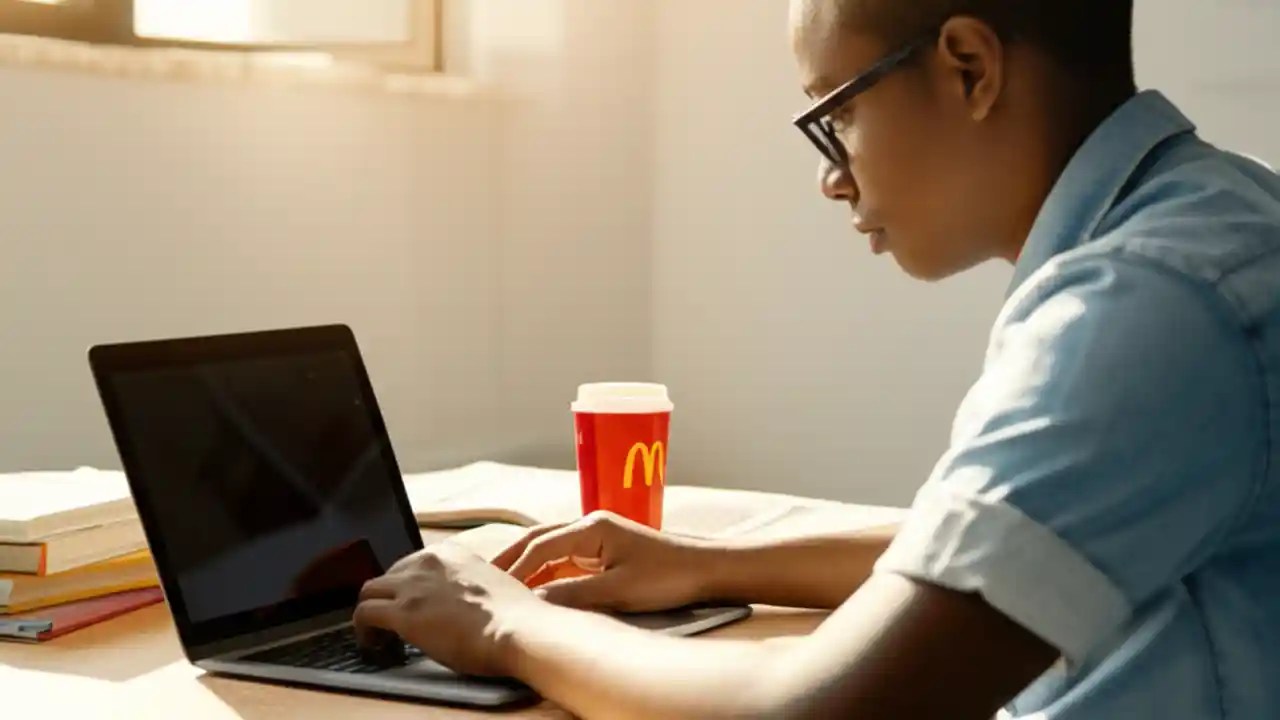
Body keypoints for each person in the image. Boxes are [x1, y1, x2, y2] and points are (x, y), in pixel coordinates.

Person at [353, 0, 1280, 717]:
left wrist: (503, 622)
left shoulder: (1143, 310)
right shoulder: (1217, 221)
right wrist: (710, 562)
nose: (832, 176)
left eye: (834, 114)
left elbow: (830, 708)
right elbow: (1010, 552)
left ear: (968, 67)